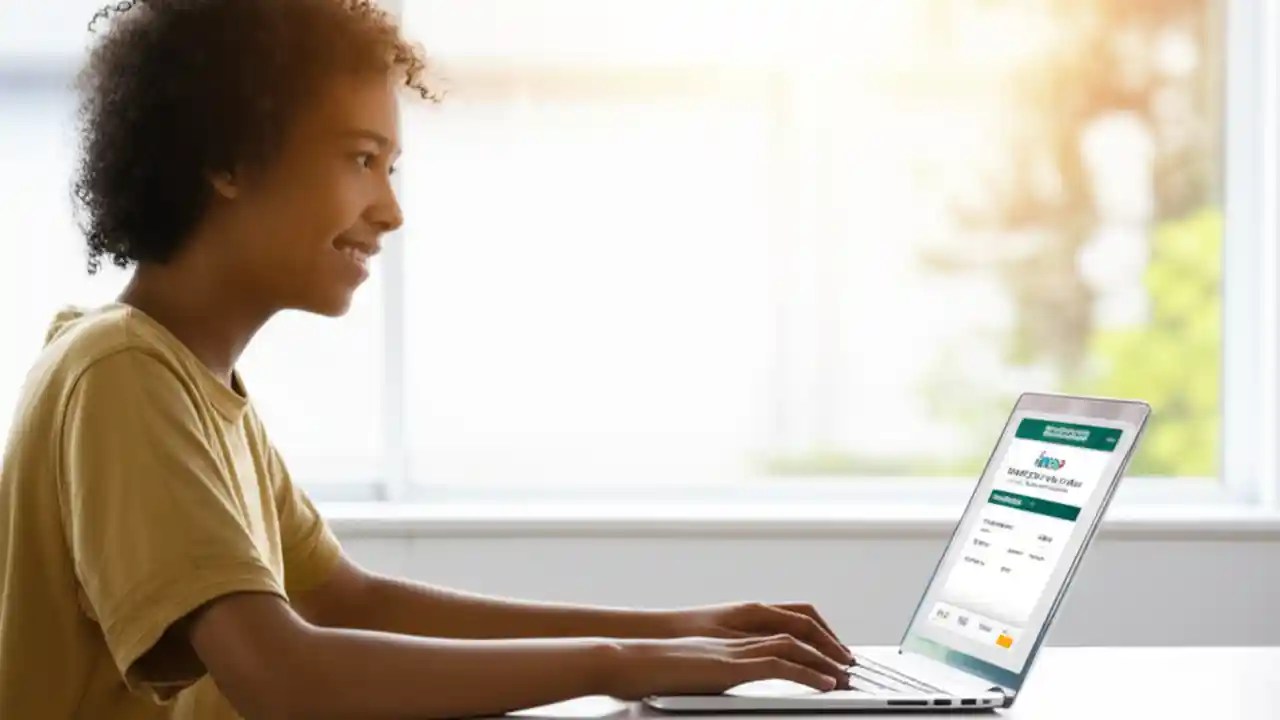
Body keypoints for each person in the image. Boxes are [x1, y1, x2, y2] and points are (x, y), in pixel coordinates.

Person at [0, 1, 854, 717]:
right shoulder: (120, 374)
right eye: (361, 160)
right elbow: (283, 673)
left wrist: (677, 630)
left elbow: (349, 601)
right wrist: (619, 663)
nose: (391, 211)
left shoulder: (191, 381)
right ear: (227, 158)